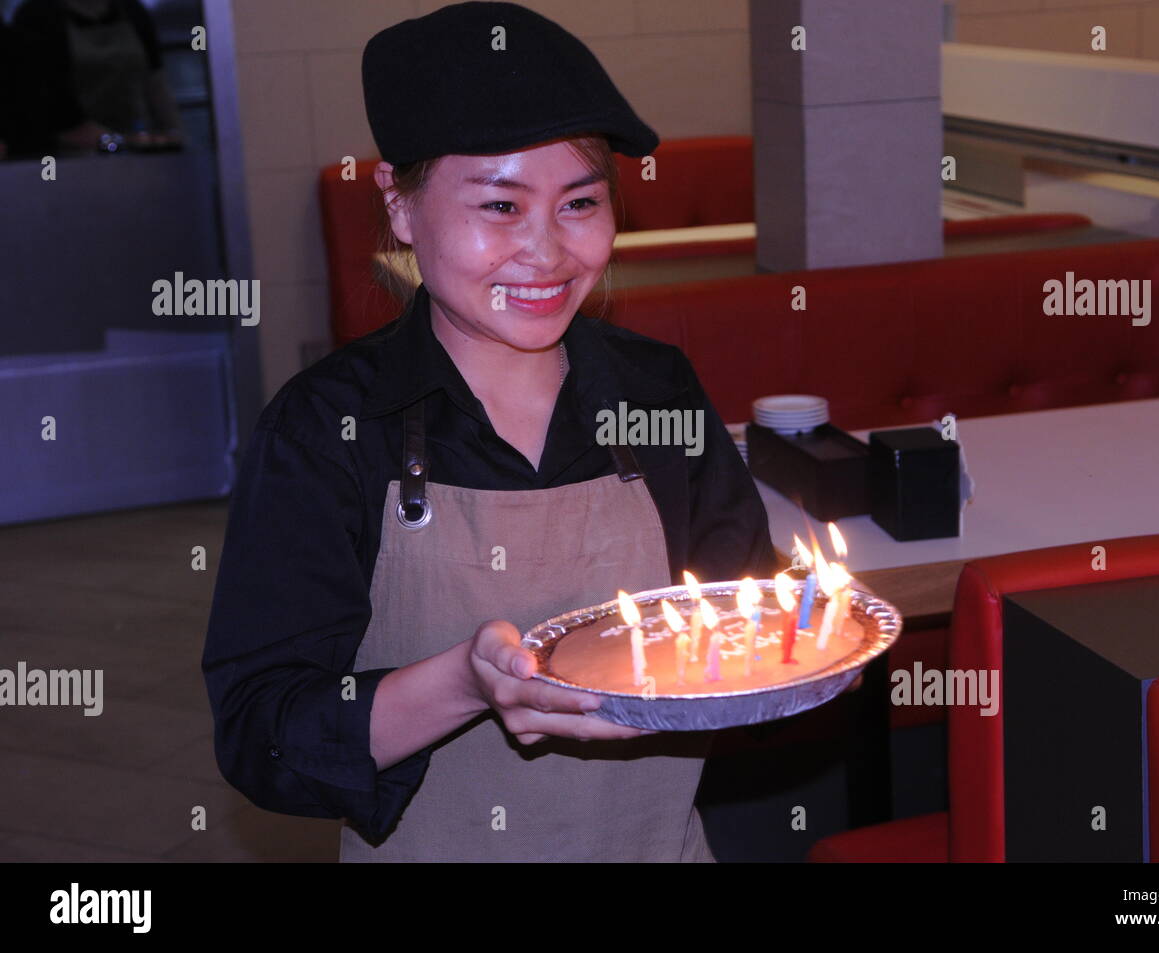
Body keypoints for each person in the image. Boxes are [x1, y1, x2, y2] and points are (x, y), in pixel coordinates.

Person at [202, 2, 777, 863]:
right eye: (502, 206)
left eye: (580, 202)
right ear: (400, 206)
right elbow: (263, 736)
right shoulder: (327, 429)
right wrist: (465, 680)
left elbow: (747, 626)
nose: (547, 253)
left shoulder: (657, 390)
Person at [10, 0, 183, 154]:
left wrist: (176, 136)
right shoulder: (37, 16)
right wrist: (118, 143)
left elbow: (156, 83)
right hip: (70, 156)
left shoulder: (132, 10)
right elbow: (50, 106)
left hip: (138, 146)